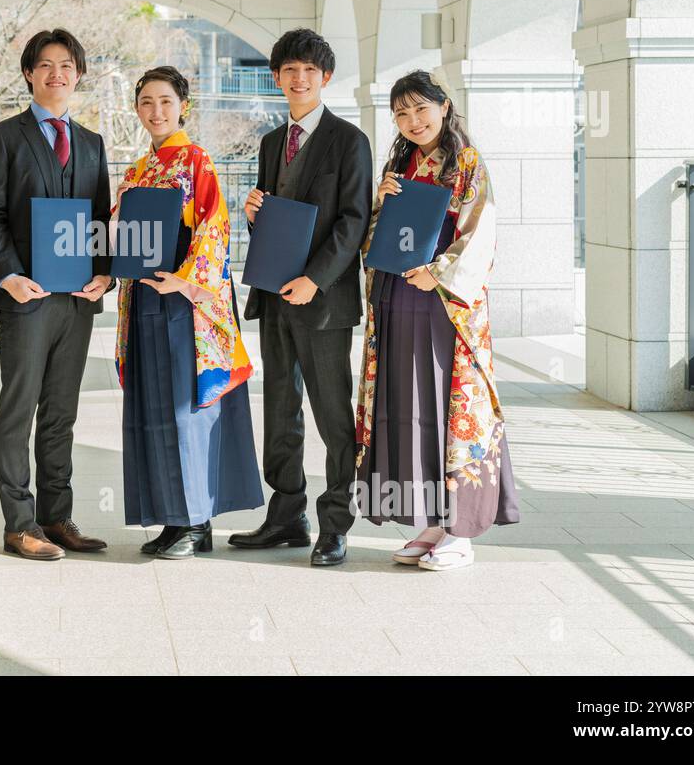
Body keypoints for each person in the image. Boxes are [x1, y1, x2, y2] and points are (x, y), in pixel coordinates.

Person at [354, 69, 519, 570]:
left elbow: (478, 229)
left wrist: (442, 272)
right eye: (401, 113)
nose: (412, 121)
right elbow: (378, 236)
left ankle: (461, 531)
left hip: (444, 301)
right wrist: (379, 203)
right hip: (397, 296)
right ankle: (428, 521)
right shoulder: (401, 161)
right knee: (408, 404)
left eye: (421, 108)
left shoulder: (466, 161)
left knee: (447, 406)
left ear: (444, 106)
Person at [235, 28, 372, 567]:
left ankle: (336, 521)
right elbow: (279, 221)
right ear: (276, 77)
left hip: (324, 302)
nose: (298, 79)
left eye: (309, 72)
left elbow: (354, 221)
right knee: (281, 409)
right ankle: (287, 513)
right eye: (289, 71)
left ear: (325, 78)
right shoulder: (272, 143)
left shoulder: (348, 141)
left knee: (333, 414)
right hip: (274, 298)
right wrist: (253, 216)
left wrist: (315, 278)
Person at [0, 28, 114, 560]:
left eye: (67, 65)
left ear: (78, 73)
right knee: (19, 408)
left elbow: (99, 217)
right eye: (46, 65)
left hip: (76, 299)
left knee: (62, 411)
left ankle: (57, 518)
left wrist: (104, 273)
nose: (57, 74)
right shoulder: (3, 136)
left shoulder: (91, 143)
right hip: (25, 297)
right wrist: (7, 274)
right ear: (30, 73)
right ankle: (19, 523)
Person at [114, 67, 263, 559]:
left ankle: (196, 521)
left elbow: (214, 225)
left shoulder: (196, 159)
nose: (156, 111)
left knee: (185, 410)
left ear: (183, 106)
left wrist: (188, 280)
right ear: (137, 109)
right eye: (146, 102)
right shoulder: (137, 169)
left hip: (183, 297)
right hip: (143, 295)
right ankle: (170, 517)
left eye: (165, 101)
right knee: (152, 409)